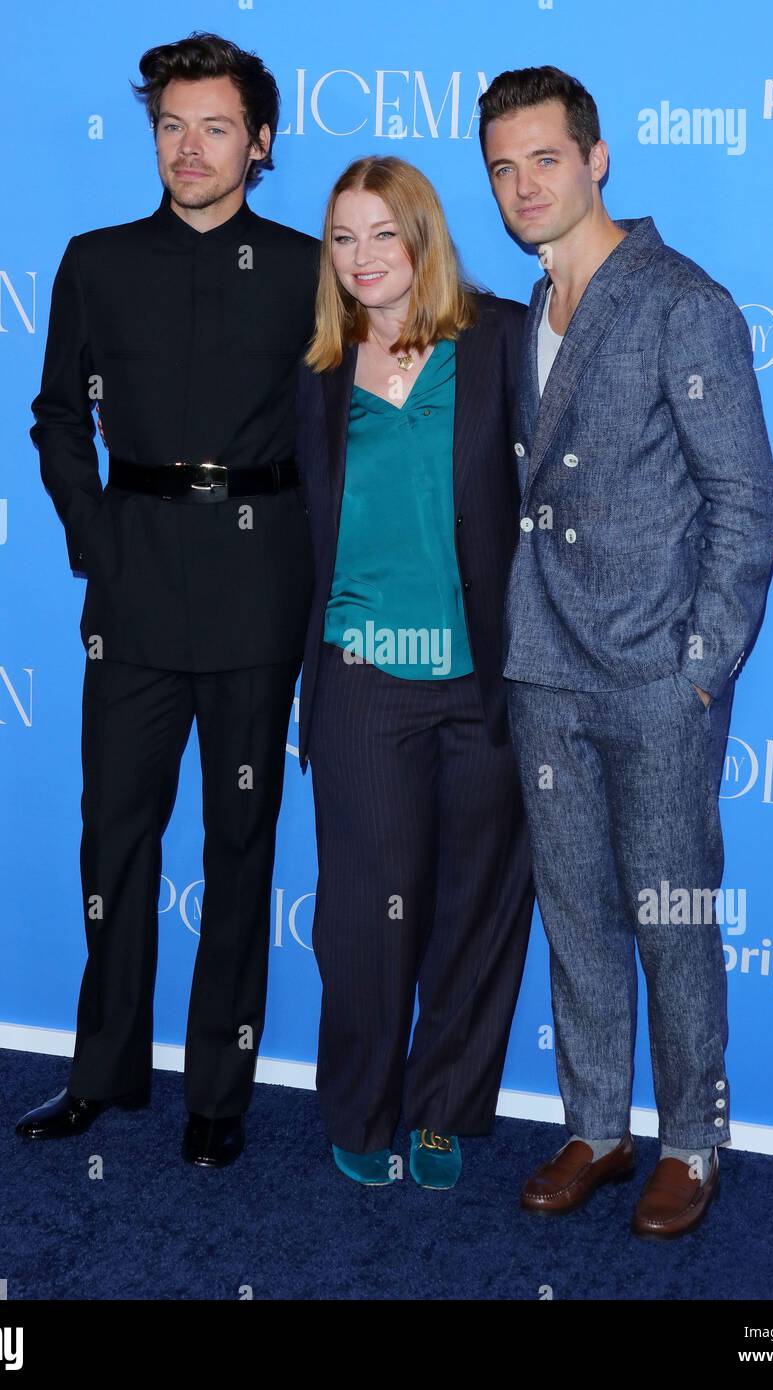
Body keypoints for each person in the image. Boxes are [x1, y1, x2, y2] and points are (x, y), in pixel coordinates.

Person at [479, 66, 773, 1235]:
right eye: (502, 167)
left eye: (544, 159)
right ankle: (596, 1125)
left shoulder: (677, 301)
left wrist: (698, 664)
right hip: (543, 663)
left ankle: (692, 1143)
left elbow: (744, 504)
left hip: (658, 676)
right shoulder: (525, 314)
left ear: (596, 159)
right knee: (576, 911)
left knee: (670, 913)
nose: (523, 185)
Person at [17, 32, 318, 1168]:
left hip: (258, 587)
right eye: (171, 126)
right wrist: (97, 537)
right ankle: (104, 1073)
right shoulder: (95, 259)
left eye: (215, 128)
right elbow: (55, 414)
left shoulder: (304, 267)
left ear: (260, 142)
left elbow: (343, 431)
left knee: (241, 839)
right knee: (114, 839)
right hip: (134, 585)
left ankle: (219, 1096)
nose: (189, 149)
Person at [295, 155, 536, 1190]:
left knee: (474, 903)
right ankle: (360, 1105)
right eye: (342, 239)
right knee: (363, 908)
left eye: (382, 235)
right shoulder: (310, 369)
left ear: (422, 238)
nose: (361, 259)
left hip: (482, 677)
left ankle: (442, 1107)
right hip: (360, 677)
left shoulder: (497, 343)